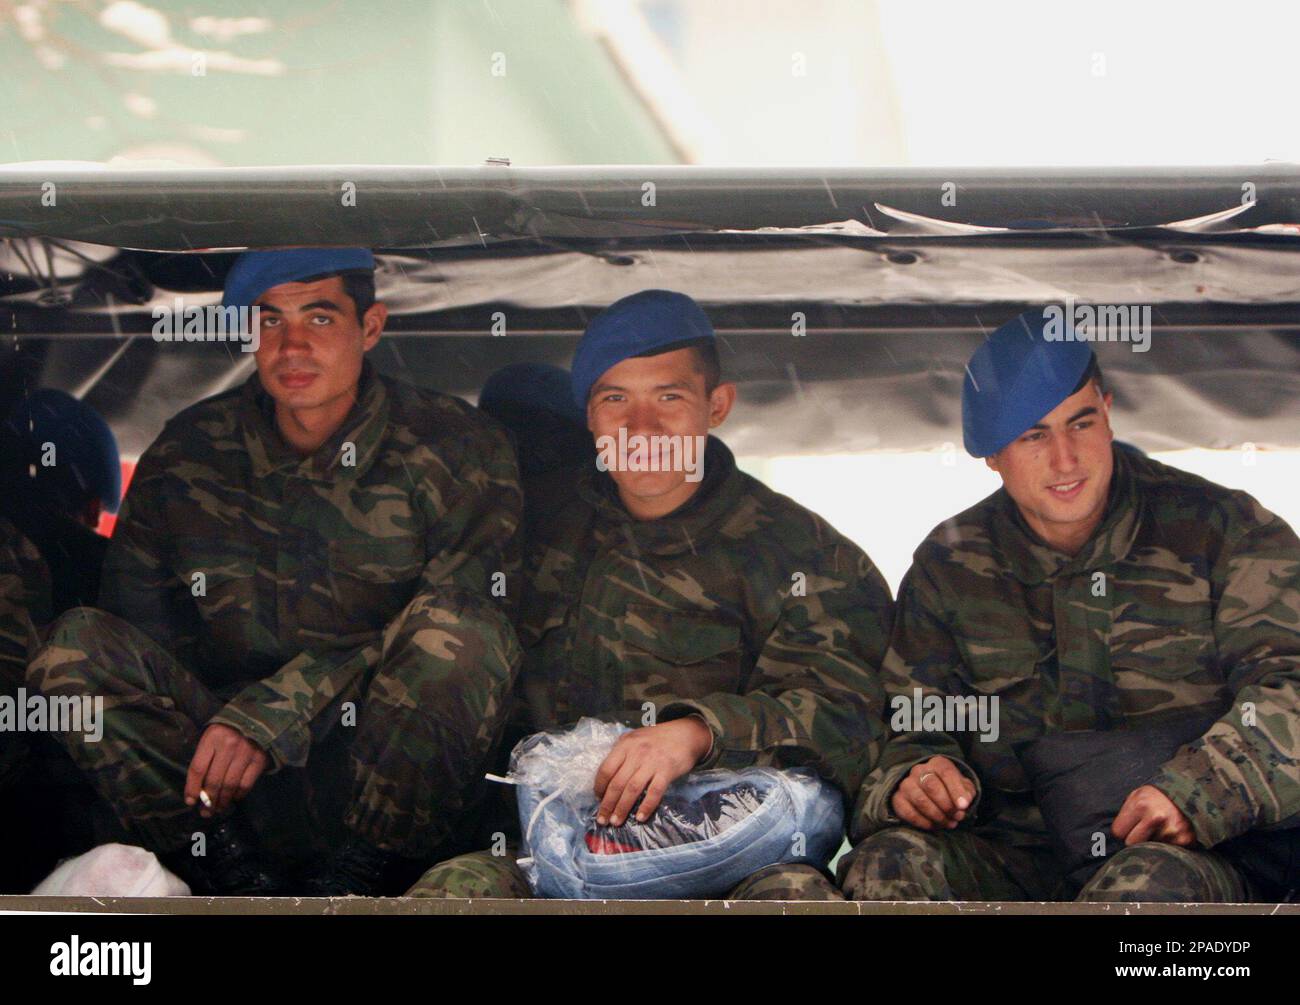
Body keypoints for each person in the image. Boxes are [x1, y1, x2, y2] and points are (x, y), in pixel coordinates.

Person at [26, 248, 523, 895]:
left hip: (392, 777)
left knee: (458, 633)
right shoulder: (189, 452)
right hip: (227, 788)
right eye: (269, 321)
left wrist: (278, 710)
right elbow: (135, 633)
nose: (292, 346)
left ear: (370, 327)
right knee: (76, 648)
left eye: (319, 318)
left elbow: (473, 624)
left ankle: (360, 871)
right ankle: (221, 869)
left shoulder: (458, 450)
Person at [409, 289, 894, 900]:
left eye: (669, 397)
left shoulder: (808, 556)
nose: (642, 429)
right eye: (616, 400)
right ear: (588, 416)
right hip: (544, 849)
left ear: (716, 405)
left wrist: (698, 733)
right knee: (452, 891)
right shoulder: (529, 534)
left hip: (730, 856)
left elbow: (849, 717)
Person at [840, 309, 1300, 902]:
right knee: (887, 865)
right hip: (1015, 856)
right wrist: (917, 776)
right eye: (1034, 435)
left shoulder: (1227, 531)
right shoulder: (950, 567)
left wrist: (1202, 794)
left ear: (1107, 413)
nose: (1065, 460)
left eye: (1080, 424)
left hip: (1191, 851)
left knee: (1142, 891)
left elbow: (1289, 685)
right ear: (992, 454)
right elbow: (910, 718)